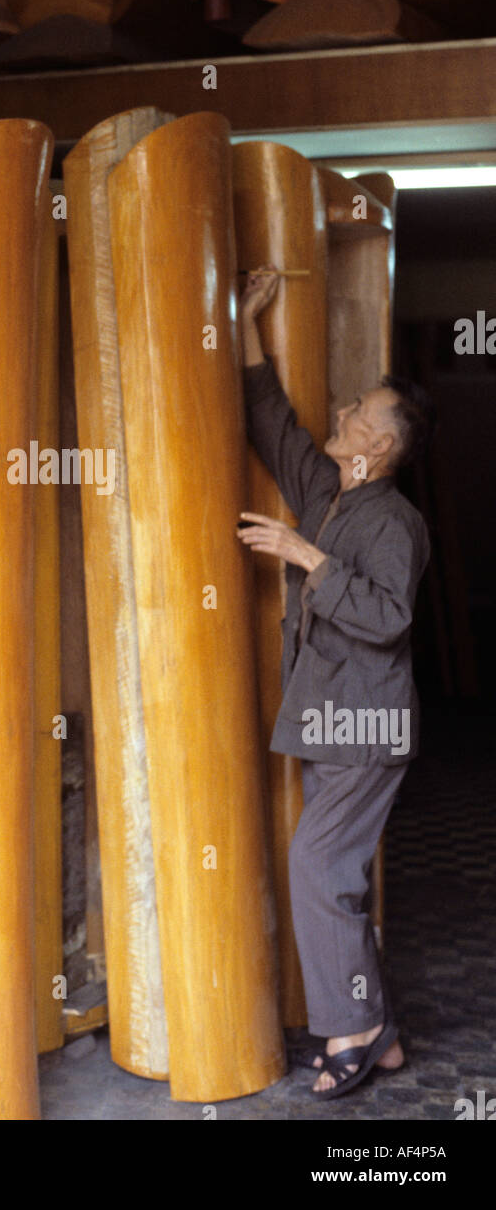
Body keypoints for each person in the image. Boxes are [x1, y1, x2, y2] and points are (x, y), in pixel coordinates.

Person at [237, 265, 434, 1099]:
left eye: (356, 412)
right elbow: (272, 423)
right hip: (330, 724)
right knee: (334, 874)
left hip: (367, 727)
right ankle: (376, 1030)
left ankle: (352, 1028)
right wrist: (242, 321)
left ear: (378, 447)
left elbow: (388, 616)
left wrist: (304, 558)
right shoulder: (329, 491)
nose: (341, 413)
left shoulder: (394, 521)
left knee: (317, 869)